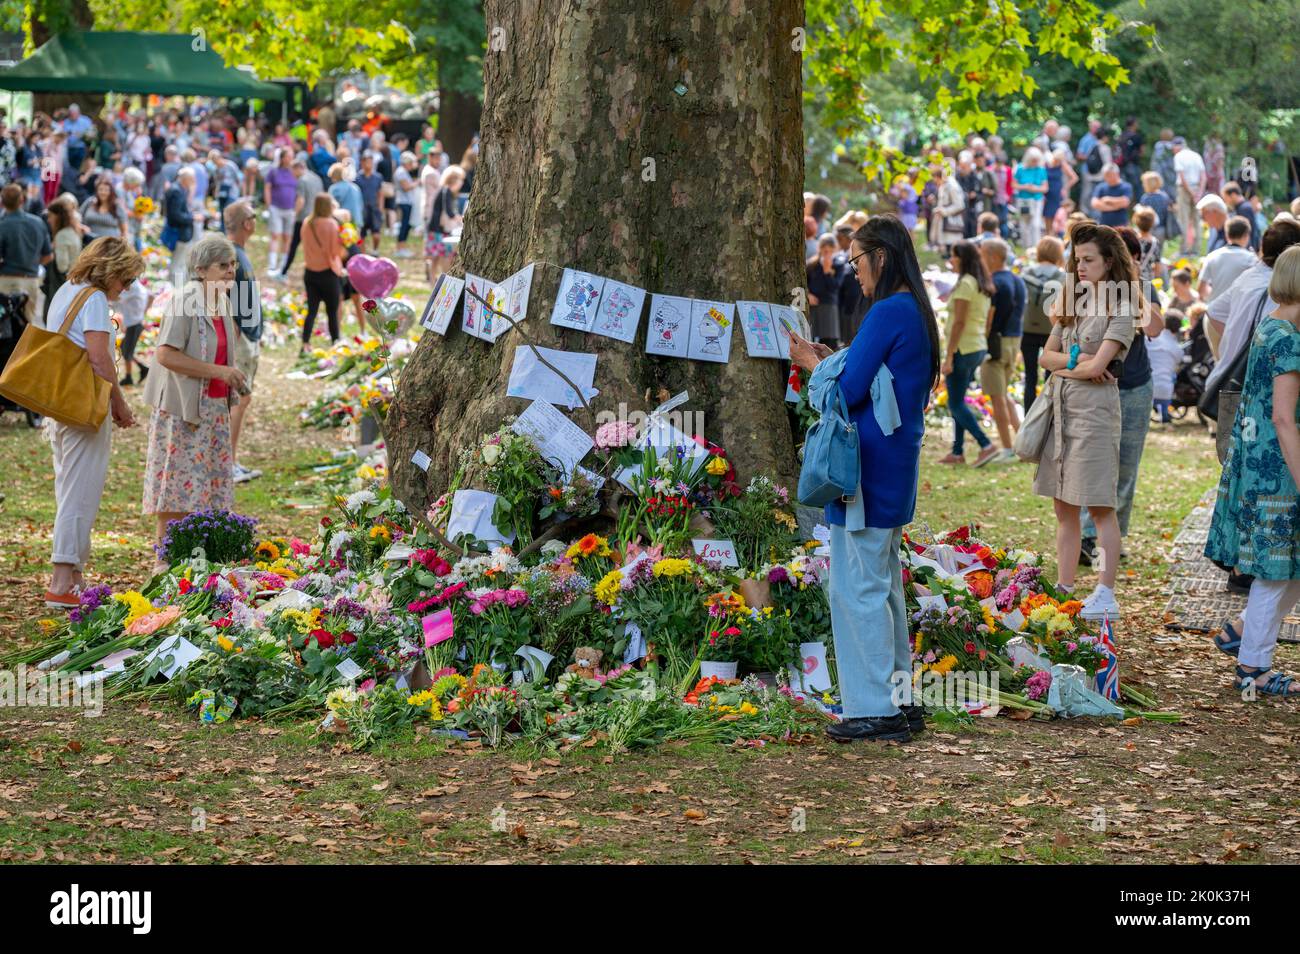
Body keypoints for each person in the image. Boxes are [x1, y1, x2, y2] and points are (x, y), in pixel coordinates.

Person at [784, 214, 940, 742]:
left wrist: (813, 365)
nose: (853, 271)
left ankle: (876, 709)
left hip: (866, 467)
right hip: (892, 463)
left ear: (882, 256)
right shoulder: (914, 310)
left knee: (859, 589)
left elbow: (847, 391)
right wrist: (837, 365)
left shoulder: (888, 311)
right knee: (883, 586)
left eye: (857, 260)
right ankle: (898, 701)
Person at [1203, 246, 1300, 697]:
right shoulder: (1288, 339)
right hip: (1278, 469)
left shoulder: (1274, 324)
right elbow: (1284, 417)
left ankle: (1242, 632)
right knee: (1276, 570)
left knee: (1287, 567)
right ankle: (1254, 669)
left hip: (1262, 462)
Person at [1034, 223, 1138, 620]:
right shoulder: (1072, 301)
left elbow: (1098, 364)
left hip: (1095, 417)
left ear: (1109, 261)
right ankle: (1064, 587)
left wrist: (1068, 364)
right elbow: (1046, 357)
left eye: (1089, 259)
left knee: (1099, 506)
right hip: (1062, 413)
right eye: (1077, 259)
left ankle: (1105, 593)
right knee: (1063, 505)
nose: (1080, 266)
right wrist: (1079, 364)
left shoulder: (1122, 307)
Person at [42, 237, 143, 608]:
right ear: (110, 270)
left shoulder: (67, 290)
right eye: (126, 279)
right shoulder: (95, 299)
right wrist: (120, 402)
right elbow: (99, 360)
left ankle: (75, 576)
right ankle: (61, 579)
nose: (127, 288)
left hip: (59, 403)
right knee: (80, 492)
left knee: (69, 486)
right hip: (85, 405)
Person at [141, 234, 246, 572]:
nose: (231, 272)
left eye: (232, 265)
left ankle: (200, 561)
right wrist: (219, 370)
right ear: (201, 270)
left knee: (209, 486)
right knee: (176, 486)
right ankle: (164, 561)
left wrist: (233, 377)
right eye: (223, 266)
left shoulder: (224, 301)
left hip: (214, 409)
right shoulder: (185, 301)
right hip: (182, 410)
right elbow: (165, 355)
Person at [1079, 226, 1163, 573]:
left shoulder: (1141, 288)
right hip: (1095, 385)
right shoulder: (1085, 288)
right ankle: (1088, 535)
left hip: (1134, 386)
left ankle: (1113, 537)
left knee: (1126, 465)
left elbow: (1156, 327)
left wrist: (1135, 287)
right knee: (1094, 462)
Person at [1205, 221, 1300, 468]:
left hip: (1233, 386)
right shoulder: (1283, 296)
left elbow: (1214, 313)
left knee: (1238, 464)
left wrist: (1235, 346)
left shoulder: (1247, 278)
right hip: (1261, 395)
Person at [938, 241, 998, 467]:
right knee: (958, 400)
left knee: (955, 404)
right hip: (976, 346)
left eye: (953, 256)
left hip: (963, 348)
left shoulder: (966, 284)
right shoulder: (981, 283)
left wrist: (949, 356)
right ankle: (957, 451)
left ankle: (985, 444)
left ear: (962, 258)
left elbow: (959, 322)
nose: (951, 260)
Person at [224, 200, 263, 484]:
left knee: (241, 398)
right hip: (240, 338)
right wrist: (233, 327)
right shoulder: (230, 255)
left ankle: (231, 460)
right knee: (239, 398)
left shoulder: (239, 253)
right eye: (253, 216)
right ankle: (228, 462)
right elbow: (218, 291)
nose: (256, 220)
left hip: (248, 334)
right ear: (246, 223)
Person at [979, 238, 1025, 462]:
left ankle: (1008, 449)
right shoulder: (1017, 280)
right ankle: (1023, 443)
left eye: (982, 255)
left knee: (997, 398)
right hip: (1014, 341)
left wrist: (984, 338)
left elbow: (990, 318)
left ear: (993, 257)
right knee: (1004, 394)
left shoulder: (995, 283)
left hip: (996, 344)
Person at [1020, 236, 1066, 413]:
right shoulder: (1062, 277)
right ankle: (1047, 414)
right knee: (1051, 377)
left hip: (1027, 328)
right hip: (1051, 330)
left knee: (1029, 377)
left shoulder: (1026, 273)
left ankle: (1028, 417)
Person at [0, 182, 53, 328]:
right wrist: (31, 263)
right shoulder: (38, 223)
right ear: (22, 200)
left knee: (3, 328)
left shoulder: (2, 224)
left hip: (4, 281)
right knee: (27, 327)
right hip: (30, 280)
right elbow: (48, 255)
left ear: (2, 202)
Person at [299, 192, 345, 352]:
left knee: (311, 310)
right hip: (328, 273)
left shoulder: (307, 223)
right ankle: (335, 342)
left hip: (310, 272)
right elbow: (334, 252)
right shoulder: (331, 224)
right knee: (332, 311)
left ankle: (305, 343)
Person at [275, 156, 324, 280]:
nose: (292, 175)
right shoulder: (317, 178)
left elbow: (300, 201)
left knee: (293, 246)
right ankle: (320, 271)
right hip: (317, 217)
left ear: (298, 168)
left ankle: (283, 272)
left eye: (292, 172)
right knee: (316, 247)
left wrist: (294, 214)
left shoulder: (302, 180)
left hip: (303, 219)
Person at [1199, 216, 1258, 304]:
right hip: (1239, 311)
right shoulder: (1251, 259)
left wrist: (1213, 298)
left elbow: (1201, 289)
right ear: (1246, 236)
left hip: (1214, 312)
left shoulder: (1212, 256)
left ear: (1227, 235)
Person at [426, 164, 464, 279]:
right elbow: (449, 213)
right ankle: (444, 279)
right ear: (454, 179)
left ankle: (433, 279)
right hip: (439, 229)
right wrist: (461, 219)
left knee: (436, 257)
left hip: (435, 227)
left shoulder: (444, 190)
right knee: (444, 255)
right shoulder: (446, 191)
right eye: (460, 180)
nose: (462, 183)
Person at [263, 148, 296, 277]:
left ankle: (283, 265)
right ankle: (272, 264)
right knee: (275, 235)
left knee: (287, 237)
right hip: (276, 207)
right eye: (288, 156)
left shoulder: (294, 172)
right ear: (282, 158)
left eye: (291, 156)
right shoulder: (273, 172)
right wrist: (269, 205)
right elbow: (267, 188)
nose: (290, 159)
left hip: (290, 209)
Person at [114, 272, 151, 387]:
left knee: (127, 352)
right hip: (134, 322)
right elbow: (151, 296)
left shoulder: (133, 287)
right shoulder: (137, 286)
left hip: (134, 323)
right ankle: (143, 368)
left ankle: (129, 377)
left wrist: (142, 313)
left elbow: (116, 299)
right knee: (124, 349)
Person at [806, 234, 843, 348]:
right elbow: (804, 283)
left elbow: (835, 287)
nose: (827, 249)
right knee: (810, 339)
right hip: (813, 307)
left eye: (830, 246)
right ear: (819, 248)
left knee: (829, 343)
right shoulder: (811, 264)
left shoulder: (838, 264)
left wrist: (827, 271)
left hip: (829, 307)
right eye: (824, 246)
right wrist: (808, 295)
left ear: (834, 248)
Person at [1172, 136, 1206, 256]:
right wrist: (1199, 193)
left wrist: (1191, 193)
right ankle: (1196, 249)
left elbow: (1182, 177)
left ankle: (1184, 249)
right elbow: (1203, 176)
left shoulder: (1178, 156)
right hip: (1197, 187)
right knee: (1196, 220)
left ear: (1177, 147)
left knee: (1183, 219)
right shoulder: (1196, 155)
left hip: (1184, 189)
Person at [163, 167, 196, 289]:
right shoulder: (176, 191)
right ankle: (174, 289)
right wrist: (193, 217)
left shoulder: (179, 189)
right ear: (185, 179)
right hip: (179, 233)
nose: (193, 182)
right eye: (192, 180)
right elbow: (175, 215)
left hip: (181, 232)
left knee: (179, 262)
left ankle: (176, 288)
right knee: (177, 264)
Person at [1013, 147, 1049, 249]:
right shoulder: (1020, 168)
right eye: (1033, 160)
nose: (1035, 162)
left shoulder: (1041, 170)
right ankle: (1026, 247)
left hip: (1036, 200)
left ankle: (1036, 247)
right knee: (1024, 225)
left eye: (1037, 160)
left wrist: (1035, 188)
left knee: (1035, 224)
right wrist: (1025, 187)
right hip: (1023, 200)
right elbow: (1014, 185)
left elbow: (1045, 188)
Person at [79, 175, 128, 242]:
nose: (103, 192)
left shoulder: (117, 206)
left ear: (111, 192)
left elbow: (124, 230)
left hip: (110, 244)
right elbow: (76, 219)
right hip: (88, 242)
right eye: (100, 189)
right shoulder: (89, 202)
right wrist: (82, 227)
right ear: (97, 191)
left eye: (106, 190)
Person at [355, 151, 385, 253]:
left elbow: (380, 193)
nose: (369, 164)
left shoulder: (378, 177)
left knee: (376, 234)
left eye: (371, 162)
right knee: (360, 235)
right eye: (367, 162)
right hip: (362, 210)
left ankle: (375, 250)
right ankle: (361, 253)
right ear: (362, 163)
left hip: (374, 208)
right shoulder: (357, 178)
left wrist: (380, 207)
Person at [1089, 163, 1133, 227]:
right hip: (1103, 225)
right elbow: (1094, 203)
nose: (1107, 178)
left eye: (1109, 175)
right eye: (1105, 175)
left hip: (1121, 225)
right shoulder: (1100, 187)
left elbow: (1125, 202)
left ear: (1117, 174)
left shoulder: (1126, 186)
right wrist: (1115, 206)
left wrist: (1108, 200)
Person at [1220, 181, 1260, 251]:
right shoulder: (1242, 207)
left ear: (1233, 195)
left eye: (1226, 198)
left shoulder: (1244, 209)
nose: (1226, 202)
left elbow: (1248, 232)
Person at [393, 151, 419, 257]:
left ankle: (402, 247)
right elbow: (406, 187)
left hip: (406, 202)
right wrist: (416, 183)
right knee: (404, 225)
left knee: (406, 225)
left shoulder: (403, 171)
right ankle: (400, 249)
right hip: (404, 202)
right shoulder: (401, 172)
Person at [327, 163, 363, 232]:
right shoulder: (355, 187)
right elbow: (361, 205)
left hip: (342, 222)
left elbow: (331, 207)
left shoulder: (334, 188)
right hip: (357, 220)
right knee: (355, 241)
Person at [1138, 171, 1171, 244]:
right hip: (1161, 228)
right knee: (1159, 250)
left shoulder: (1145, 198)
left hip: (1148, 229)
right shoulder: (1164, 196)